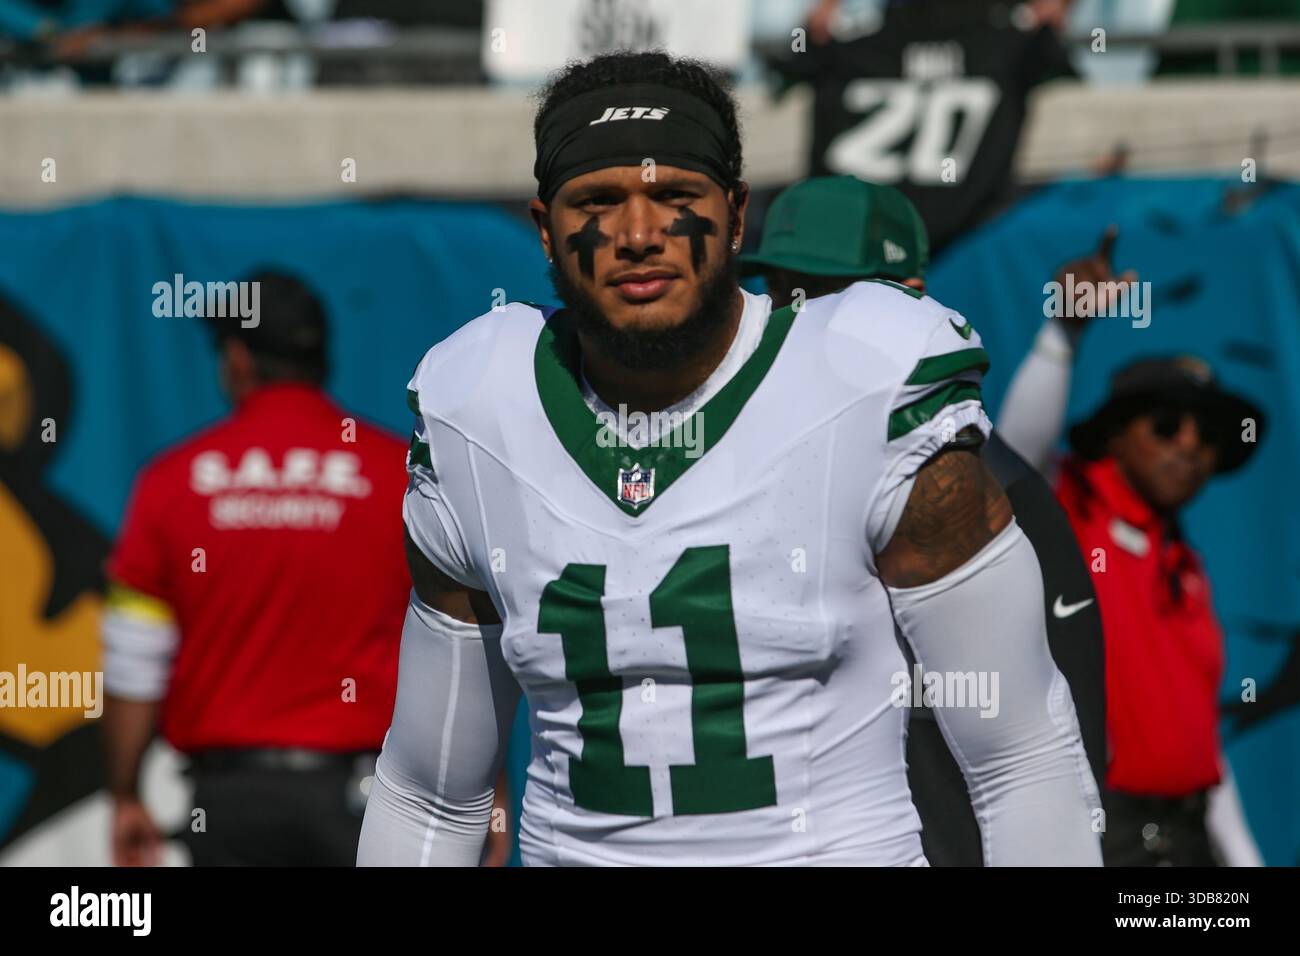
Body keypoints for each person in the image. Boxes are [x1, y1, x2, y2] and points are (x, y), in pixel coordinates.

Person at [357, 51, 1101, 867]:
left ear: (737, 214)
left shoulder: (865, 379)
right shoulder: (478, 406)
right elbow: (431, 791)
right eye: (599, 202)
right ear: (545, 229)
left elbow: (1022, 757)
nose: (639, 235)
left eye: (675, 197)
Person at [740, 174, 1106, 865]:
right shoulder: (744, 470)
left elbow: (1049, 756)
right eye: (782, 293)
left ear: (908, 301)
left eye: (827, 294)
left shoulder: (989, 488)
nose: (800, 319)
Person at [101, 270, 412, 866]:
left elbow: (134, 662)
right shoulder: (399, 473)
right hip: (368, 802)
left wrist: (124, 794)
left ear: (239, 358)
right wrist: (487, 790)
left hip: (226, 807)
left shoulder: (172, 482)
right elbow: (463, 652)